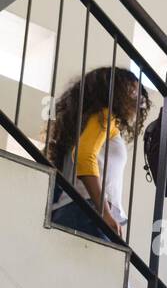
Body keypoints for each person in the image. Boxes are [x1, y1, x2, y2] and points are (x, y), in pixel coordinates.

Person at [46, 67, 152, 242]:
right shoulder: (105, 116)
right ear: (118, 91)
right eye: (134, 93)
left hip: (75, 210)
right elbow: (83, 155)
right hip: (86, 212)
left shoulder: (86, 122)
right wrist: (104, 212)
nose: (138, 102)